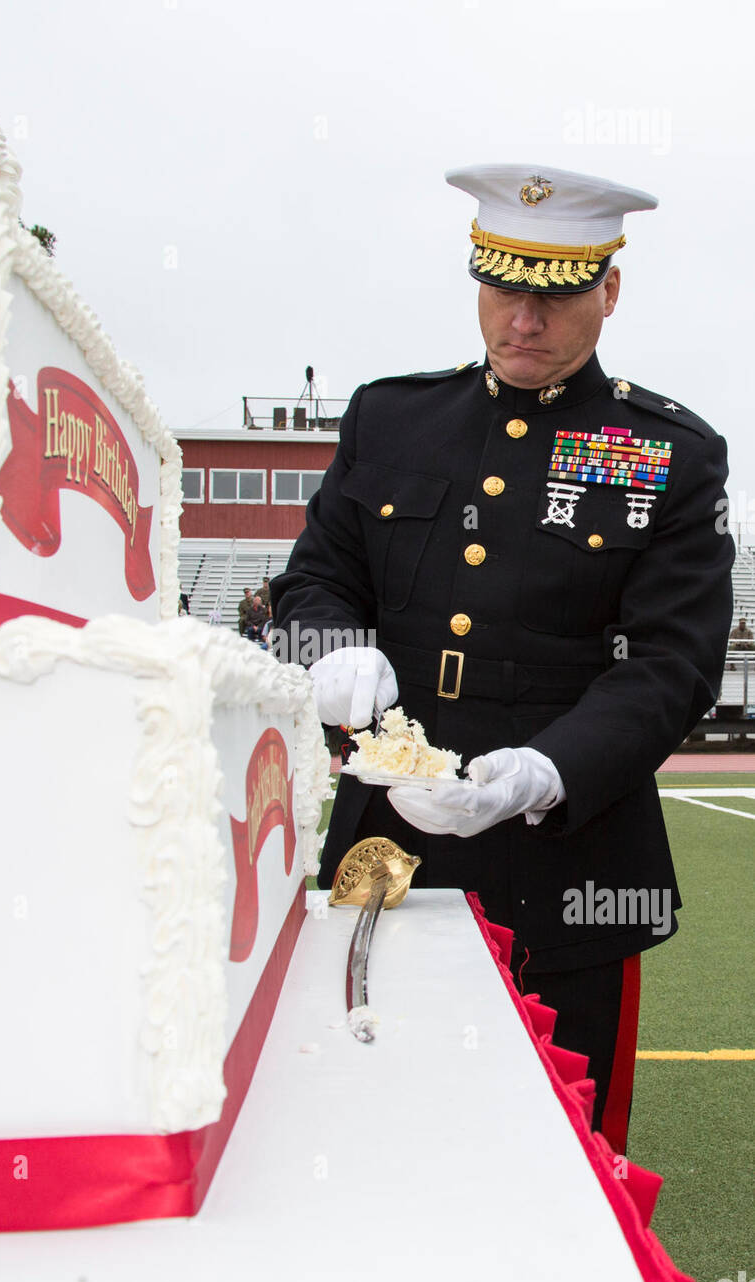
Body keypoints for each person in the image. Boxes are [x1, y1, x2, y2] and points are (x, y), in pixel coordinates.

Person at [271, 164, 734, 1154]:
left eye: (554, 293)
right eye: (500, 286)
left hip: (567, 869)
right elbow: (310, 582)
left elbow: (672, 662)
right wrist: (329, 652)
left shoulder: (662, 454)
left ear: (608, 289)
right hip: (383, 852)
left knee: (559, 1150)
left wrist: (545, 770)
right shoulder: (391, 418)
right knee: (360, 1125)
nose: (521, 319)